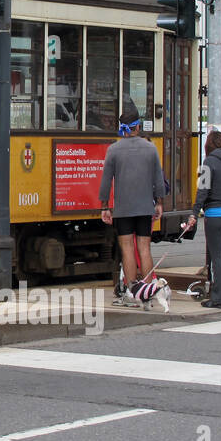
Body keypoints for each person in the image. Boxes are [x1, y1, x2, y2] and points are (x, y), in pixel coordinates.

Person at [98, 109, 168, 304]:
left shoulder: (114, 149)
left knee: (127, 248)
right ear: (138, 127)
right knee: (144, 248)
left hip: (123, 209)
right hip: (145, 207)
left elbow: (106, 180)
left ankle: (132, 290)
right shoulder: (150, 148)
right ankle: (149, 290)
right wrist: (159, 202)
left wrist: (104, 206)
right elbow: (158, 179)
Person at [186, 130, 221, 308]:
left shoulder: (208, 162)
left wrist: (194, 212)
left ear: (208, 145)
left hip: (214, 214)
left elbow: (203, 190)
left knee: (216, 257)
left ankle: (219, 298)